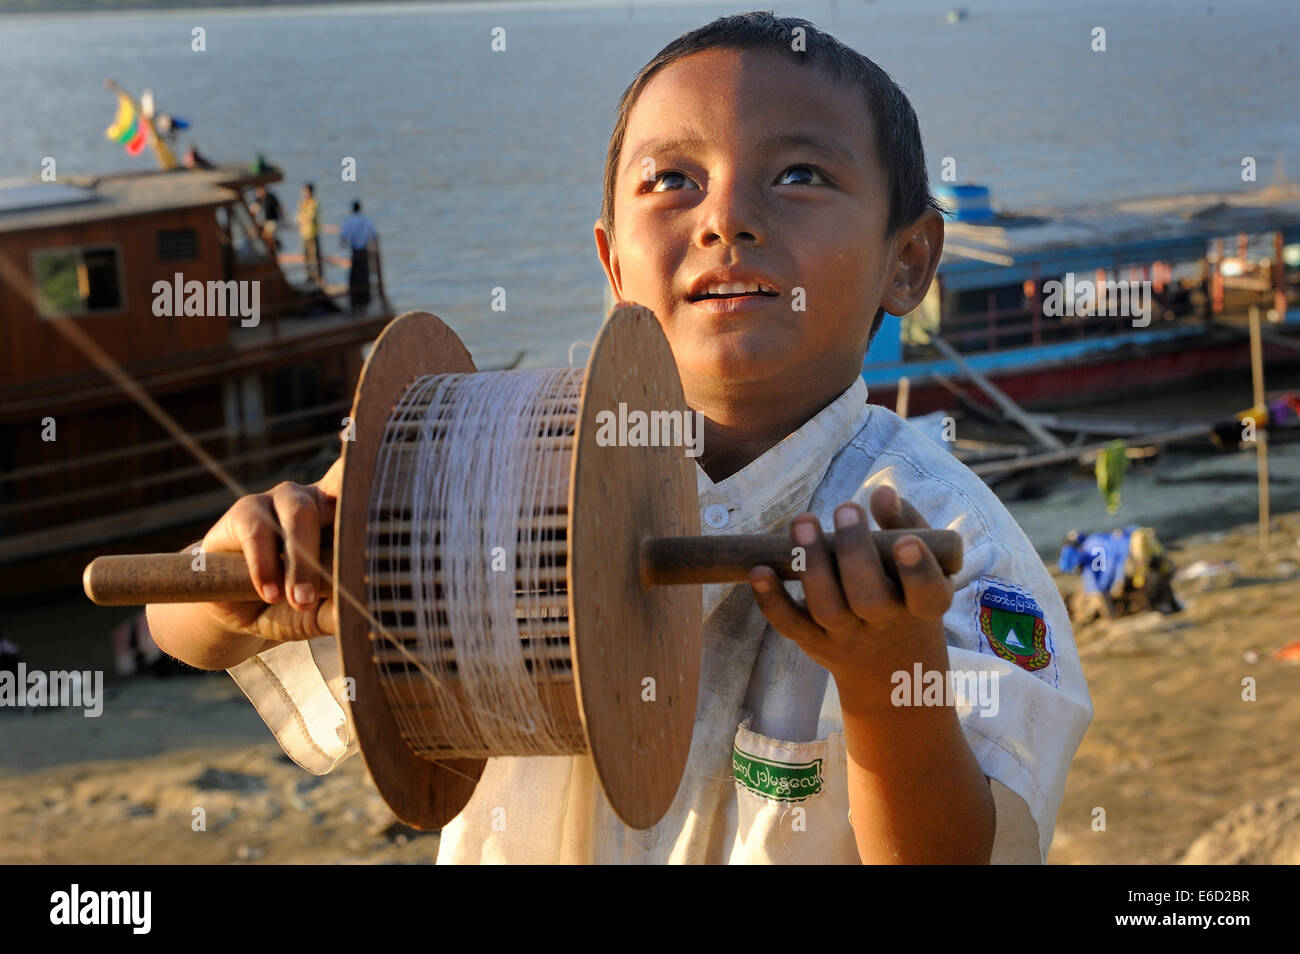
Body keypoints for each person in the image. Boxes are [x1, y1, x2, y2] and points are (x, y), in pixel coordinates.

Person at [146, 12, 1092, 864]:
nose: (727, 219)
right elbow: (176, 624)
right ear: (610, 261)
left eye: (801, 175)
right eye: (671, 180)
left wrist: (887, 675)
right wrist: (239, 583)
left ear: (910, 258)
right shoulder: (485, 472)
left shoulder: (946, 541)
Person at [337, 200, 377, 313]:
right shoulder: (367, 220)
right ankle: (365, 300)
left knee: (354, 278)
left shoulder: (348, 221)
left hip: (355, 253)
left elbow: (343, 239)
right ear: (360, 208)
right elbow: (374, 236)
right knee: (364, 276)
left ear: (352, 209)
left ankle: (355, 301)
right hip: (364, 252)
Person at [295, 183, 322, 285]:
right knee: (306, 257)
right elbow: (298, 217)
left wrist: (303, 218)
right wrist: (303, 219)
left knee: (315, 256)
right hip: (304, 233)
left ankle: (318, 277)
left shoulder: (314, 202)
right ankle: (309, 277)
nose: (305, 193)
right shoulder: (302, 203)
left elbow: (311, 217)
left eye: (306, 191)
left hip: (313, 233)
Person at [251, 185, 283, 250]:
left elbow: (279, 208)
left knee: (268, 234)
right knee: (253, 233)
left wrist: (283, 219)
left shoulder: (271, 197)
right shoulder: (258, 200)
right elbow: (252, 211)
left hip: (272, 220)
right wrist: (254, 223)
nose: (259, 192)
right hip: (262, 222)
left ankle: (274, 247)